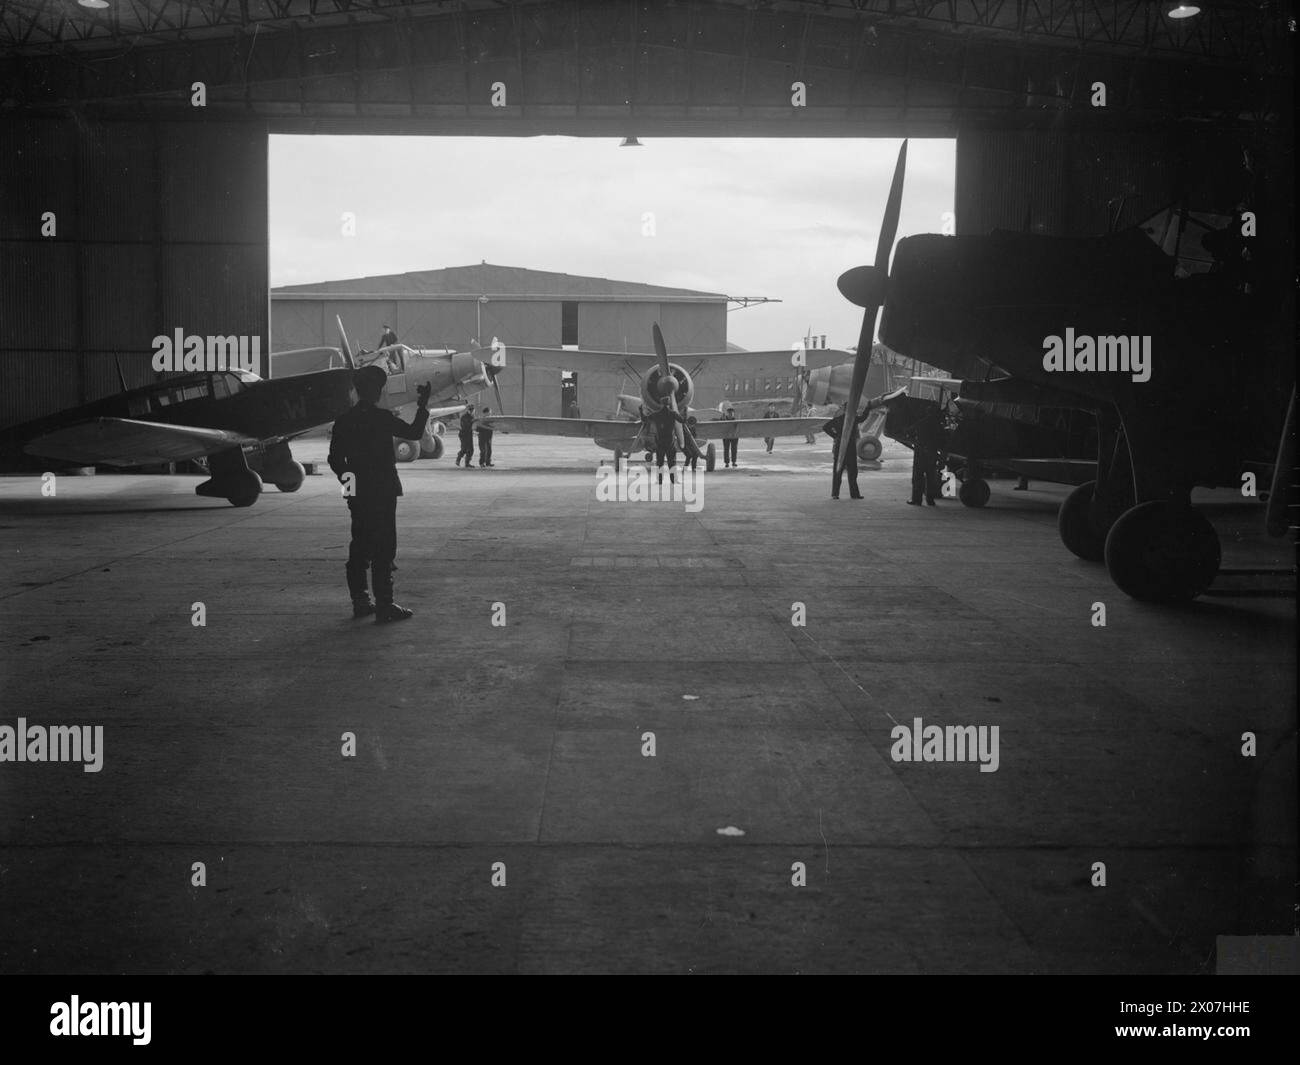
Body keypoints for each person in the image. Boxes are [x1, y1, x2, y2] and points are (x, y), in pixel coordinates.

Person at [328, 365, 430, 623]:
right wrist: (423, 404)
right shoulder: (382, 418)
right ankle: (385, 606)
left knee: (360, 546)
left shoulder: (344, 421)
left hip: (358, 493)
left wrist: (349, 487)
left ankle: (361, 602)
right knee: (384, 549)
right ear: (378, 391)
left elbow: (335, 459)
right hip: (383, 492)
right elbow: (414, 433)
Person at [823, 404, 869, 500]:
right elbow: (863, 418)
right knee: (851, 472)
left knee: (839, 472)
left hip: (842, 447)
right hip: (847, 448)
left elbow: (826, 427)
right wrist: (868, 407)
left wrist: (835, 435)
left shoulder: (841, 419)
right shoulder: (851, 419)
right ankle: (854, 494)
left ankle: (836, 494)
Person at [907, 404, 944, 506]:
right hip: (932, 453)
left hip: (920, 453)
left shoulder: (921, 422)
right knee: (931, 477)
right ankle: (930, 500)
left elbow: (909, 431)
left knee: (918, 476)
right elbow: (943, 441)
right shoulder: (938, 425)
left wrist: (915, 441)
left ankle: (916, 500)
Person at [646, 402, 686, 483]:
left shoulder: (656, 414)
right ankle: (673, 480)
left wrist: (641, 410)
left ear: (661, 405)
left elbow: (644, 419)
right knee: (672, 463)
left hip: (660, 443)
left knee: (659, 463)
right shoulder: (673, 414)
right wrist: (685, 411)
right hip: (670, 443)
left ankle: (659, 481)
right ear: (668, 405)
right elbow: (683, 420)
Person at [455, 404, 476, 468]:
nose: (472, 411)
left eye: (472, 410)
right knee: (464, 449)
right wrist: (473, 423)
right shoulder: (465, 417)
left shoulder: (472, 417)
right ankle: (458, 459)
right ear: (468, 410)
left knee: (470, 449)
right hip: (464, 434)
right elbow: (466, 426)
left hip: (468, 434)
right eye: (470, 410)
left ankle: (467, 463)